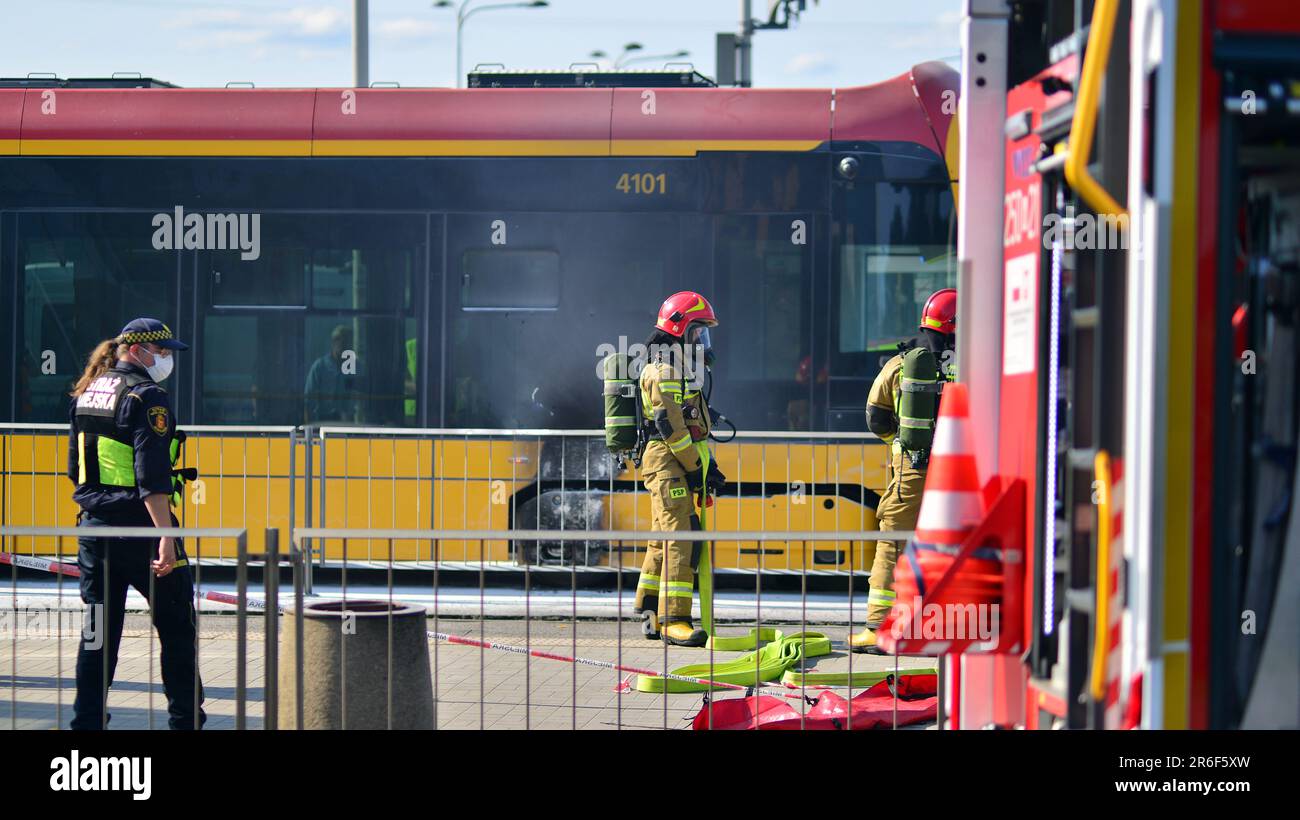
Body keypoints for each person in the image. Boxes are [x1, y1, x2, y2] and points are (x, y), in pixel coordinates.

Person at [66, 318, 206, 729]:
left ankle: (86, 723)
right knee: (177, 628)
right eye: (162, 353)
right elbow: (152, 478)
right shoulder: (148, 398)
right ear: (138, 351)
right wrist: (165, 537)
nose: (166, 360)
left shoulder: (86, 391)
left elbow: (76, 470)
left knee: (97, 634)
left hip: (96, 531)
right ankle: (185, 722)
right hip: (145, 532)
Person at [849, 288, 957, 654]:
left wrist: (900, 443)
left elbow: (874, 415)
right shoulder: (972, 363)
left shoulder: (901, 364)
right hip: (957, 471)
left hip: (912, 469)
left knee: (894, 540)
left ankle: (878, 627)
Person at [632, 291, 727, 647]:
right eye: (698, 332)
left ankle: (650, 614)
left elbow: (691, 425)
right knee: (681, 537)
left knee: (663, 538)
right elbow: (671, 428)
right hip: (667, 462)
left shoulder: (677, 368)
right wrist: (693, 468)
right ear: (680, 330)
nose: (703, 342)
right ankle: (674, 620)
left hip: (672, 461)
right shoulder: (664, 370)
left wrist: (707, 467)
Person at [305, 324, 360, 423]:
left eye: (345, 340)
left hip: (351, 424)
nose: (341, 343)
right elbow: (309, 399)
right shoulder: (319, 367)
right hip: (321, 423)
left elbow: (361, 398)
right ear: (332, 342)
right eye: (338, 339)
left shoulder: (357, 368)